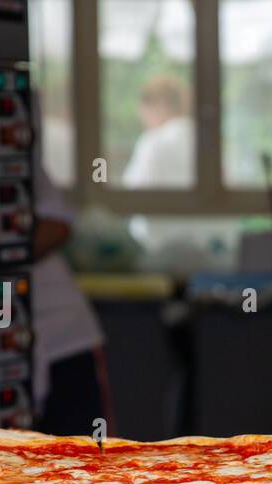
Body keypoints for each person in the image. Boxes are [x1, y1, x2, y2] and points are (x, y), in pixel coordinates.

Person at [32, 148, 114, 436]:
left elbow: (58, 224)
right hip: (14, 352)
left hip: (62, 342)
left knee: (86, 463)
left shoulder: (15, 161)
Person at [123, 74, 195, 250]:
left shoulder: (154, 141)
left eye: (143, 112)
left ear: (157, 105)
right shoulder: (209, 141)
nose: (143, 119)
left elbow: (132, 192)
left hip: (159, 249)